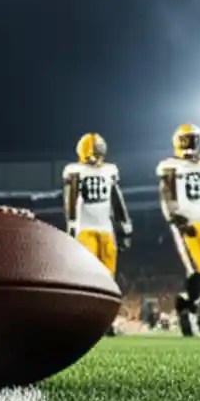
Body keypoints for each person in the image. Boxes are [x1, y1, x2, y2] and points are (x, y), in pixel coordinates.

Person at [156, 123, 200, 336]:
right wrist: (175, 218)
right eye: (187, 140)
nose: (191, 144)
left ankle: (189, 305)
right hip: (188, 222)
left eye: (194, 140)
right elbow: (166, 194)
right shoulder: (170, 165)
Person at [62, 133, 132, 334]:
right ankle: (85, 318)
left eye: (98, 150)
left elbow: (117, 200)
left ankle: (105, 320)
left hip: (105, 229)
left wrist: (124, 226)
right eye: (93, 150)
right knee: (88, 276)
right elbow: (70, 200)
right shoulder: (75, 171)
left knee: (108, 278)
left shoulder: (109, 170)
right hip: (85, 229)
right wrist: (72, 226)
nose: (95, 154)